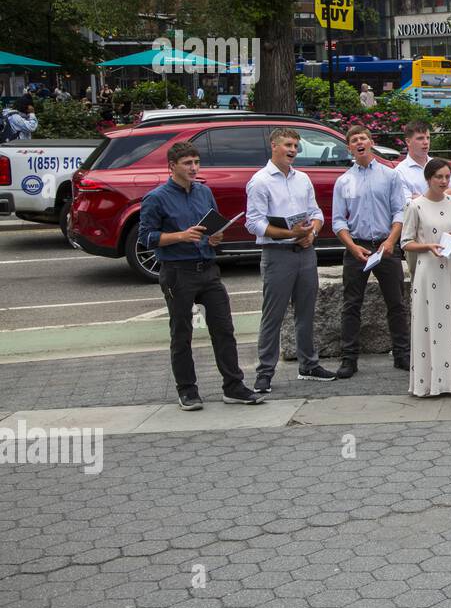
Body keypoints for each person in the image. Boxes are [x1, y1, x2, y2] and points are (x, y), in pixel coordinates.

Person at [138, 142, 263, 410]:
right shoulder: (156, 198)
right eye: (188, 163)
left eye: (196, 162)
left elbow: (210, 230)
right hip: (177, 272)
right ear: (172, 166)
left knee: (224, 329)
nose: (194, 168)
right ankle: (187, 390)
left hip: (208, 268)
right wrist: (180, 236)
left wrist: (215, 237)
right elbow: (146, 237)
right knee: (181, 333)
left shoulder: (204, 192)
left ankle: (234, 386)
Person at [244, 127, 335, 394]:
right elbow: (254, 223)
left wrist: (312, 233)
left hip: (305, 253)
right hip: (278, 254)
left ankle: (308, 364)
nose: (293, 150)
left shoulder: (302, 179)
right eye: (288, 145)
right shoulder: (260, 181)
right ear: (274, 145)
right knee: (273, 315)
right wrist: (288, 234)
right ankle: (265, 373)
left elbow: (316, 212)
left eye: (296, 146)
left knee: (306, 312)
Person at [331, 125, 409, 379]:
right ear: (349, 148)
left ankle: (402, 354)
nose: (359, 142)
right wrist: (351, 246)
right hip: (357, 247)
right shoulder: (344, 181)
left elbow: (400, 211)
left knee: (396, 302)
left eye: (363, 138)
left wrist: (390, 241)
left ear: (371, 142)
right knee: (351, 304)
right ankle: (349, 358)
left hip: (386, 246)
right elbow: (338, 221)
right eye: (354, 140)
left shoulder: (390, 175)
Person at [400, 157, 451, 397]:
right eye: (439, 177)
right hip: (429, 267)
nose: (444, 181)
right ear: (428, 179)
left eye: (447, 176)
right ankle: (434, 380)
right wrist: (428, 246)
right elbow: (406, 242)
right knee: (433, 321)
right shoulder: (415, 206)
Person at [395, 120, 451, 202]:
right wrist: (445, 195)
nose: (426, 142)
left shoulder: (441, 165)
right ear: (408, 141)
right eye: (420, 138)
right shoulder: (399, 172)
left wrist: (422, 198)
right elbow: (408, 205)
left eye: (428, 138)